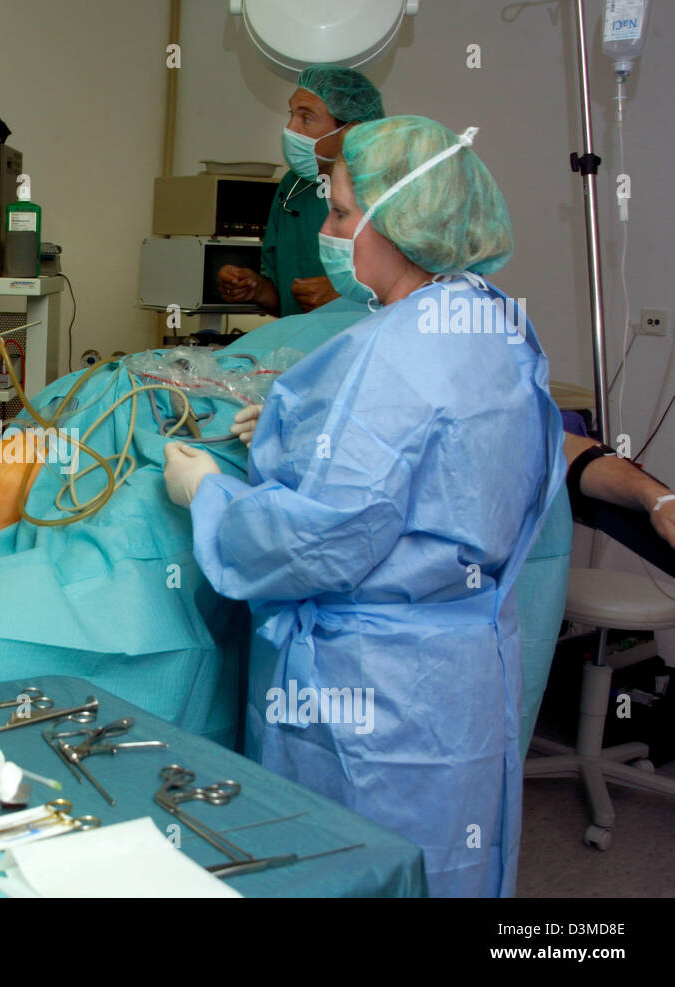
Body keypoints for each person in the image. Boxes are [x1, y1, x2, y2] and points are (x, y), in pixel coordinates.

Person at [164, 116, 563, 897]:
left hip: (373, 693)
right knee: (449, 862)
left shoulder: (395, 354)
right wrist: (300, 422)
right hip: (460, 675)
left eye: (344, 213)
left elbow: (322, 539)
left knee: (349, 868)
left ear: (405, 222)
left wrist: (208, 495)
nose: (330, 230)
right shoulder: (494, 321)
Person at [217, 65, 383, 318]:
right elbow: (287, 298)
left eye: (306, 118)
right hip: (303, 349)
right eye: (291, 114)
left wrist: (347, 297)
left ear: (351, 131)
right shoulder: (294, 188)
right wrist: (255, 289)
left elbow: (423, 287)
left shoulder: (387, 191)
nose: (290, 129)